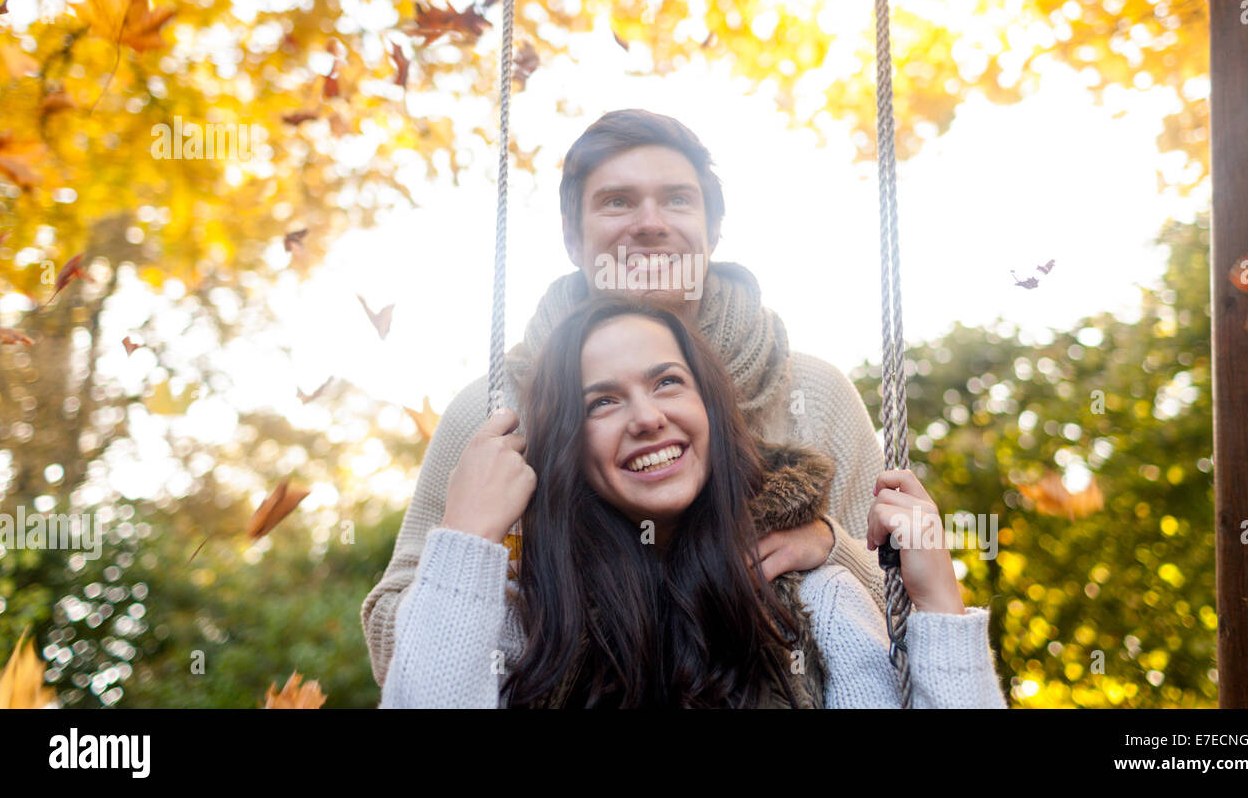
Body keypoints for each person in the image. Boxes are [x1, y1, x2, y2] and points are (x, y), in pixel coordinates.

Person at [364, 108, 893, 687]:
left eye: (677, 200)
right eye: (617, 202)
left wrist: (829, 547)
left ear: (713, 232)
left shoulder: (812, 394)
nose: (649, 223)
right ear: (573, 237)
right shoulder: (496, 408)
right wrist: (485, 559)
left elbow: (910, 608)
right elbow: (394, 643)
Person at [379, 298, 1007, 707]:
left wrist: (939, 606)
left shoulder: (812, 600)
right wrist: (465, 538)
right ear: (568, 444)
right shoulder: (523, 616)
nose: (647, 418)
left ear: (711, 408)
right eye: (602, 401)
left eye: (667, 382)